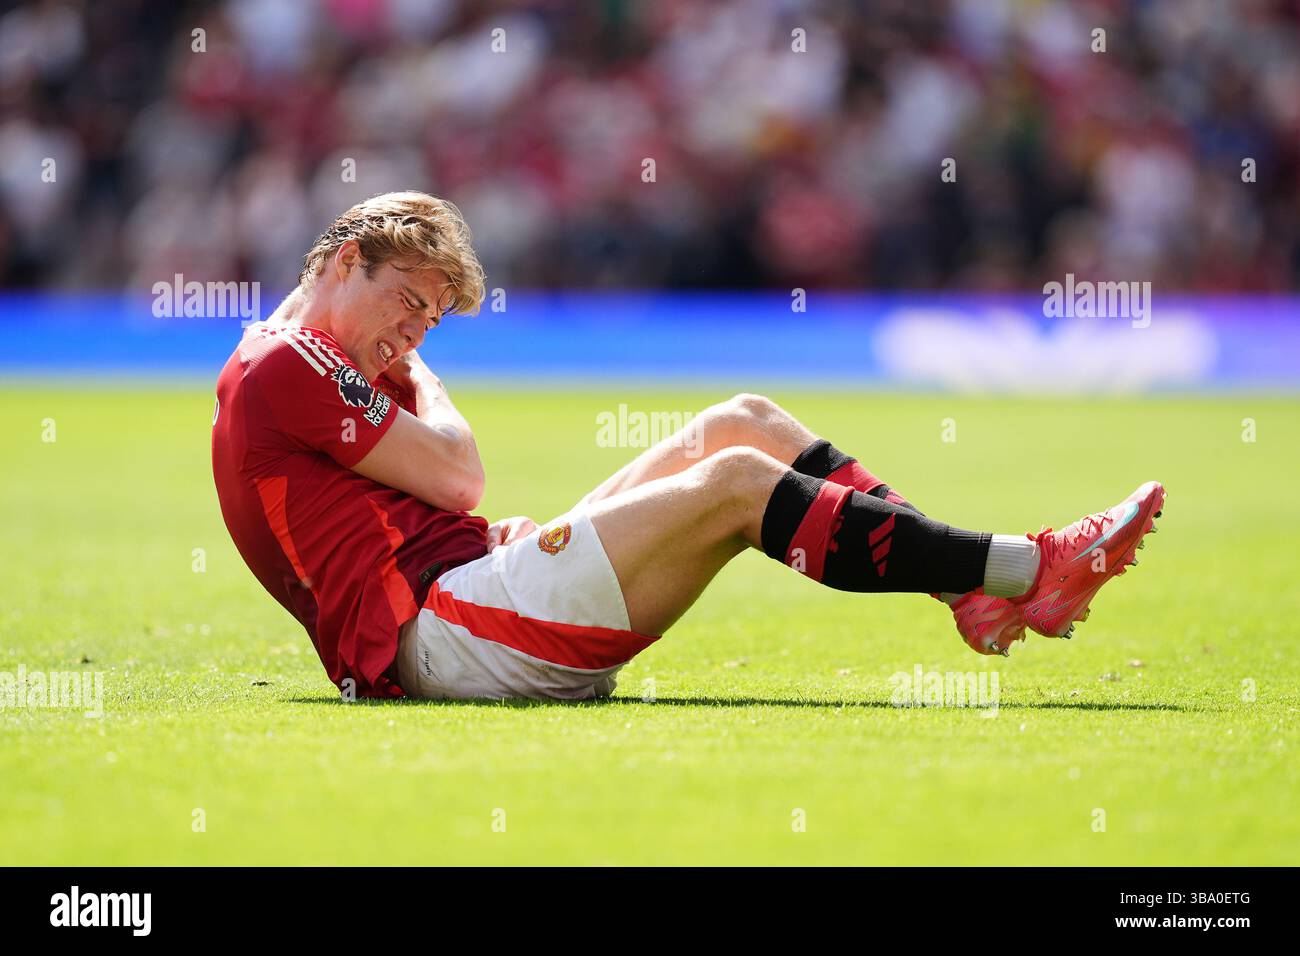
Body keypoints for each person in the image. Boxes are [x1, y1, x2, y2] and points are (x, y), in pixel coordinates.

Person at [211, 191, 1165, 701]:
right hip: (441, 637)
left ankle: (971, 589)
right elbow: (460, 474)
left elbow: (447, 475)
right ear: (345, 261)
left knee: (741, 418)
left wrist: (394, 353)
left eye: (431, 315)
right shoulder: (291, 365)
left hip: (477, 585)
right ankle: (1023, 568)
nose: (417, 331)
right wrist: (410, 379)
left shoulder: (317, 354)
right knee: (739, 483)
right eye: (406, 301)